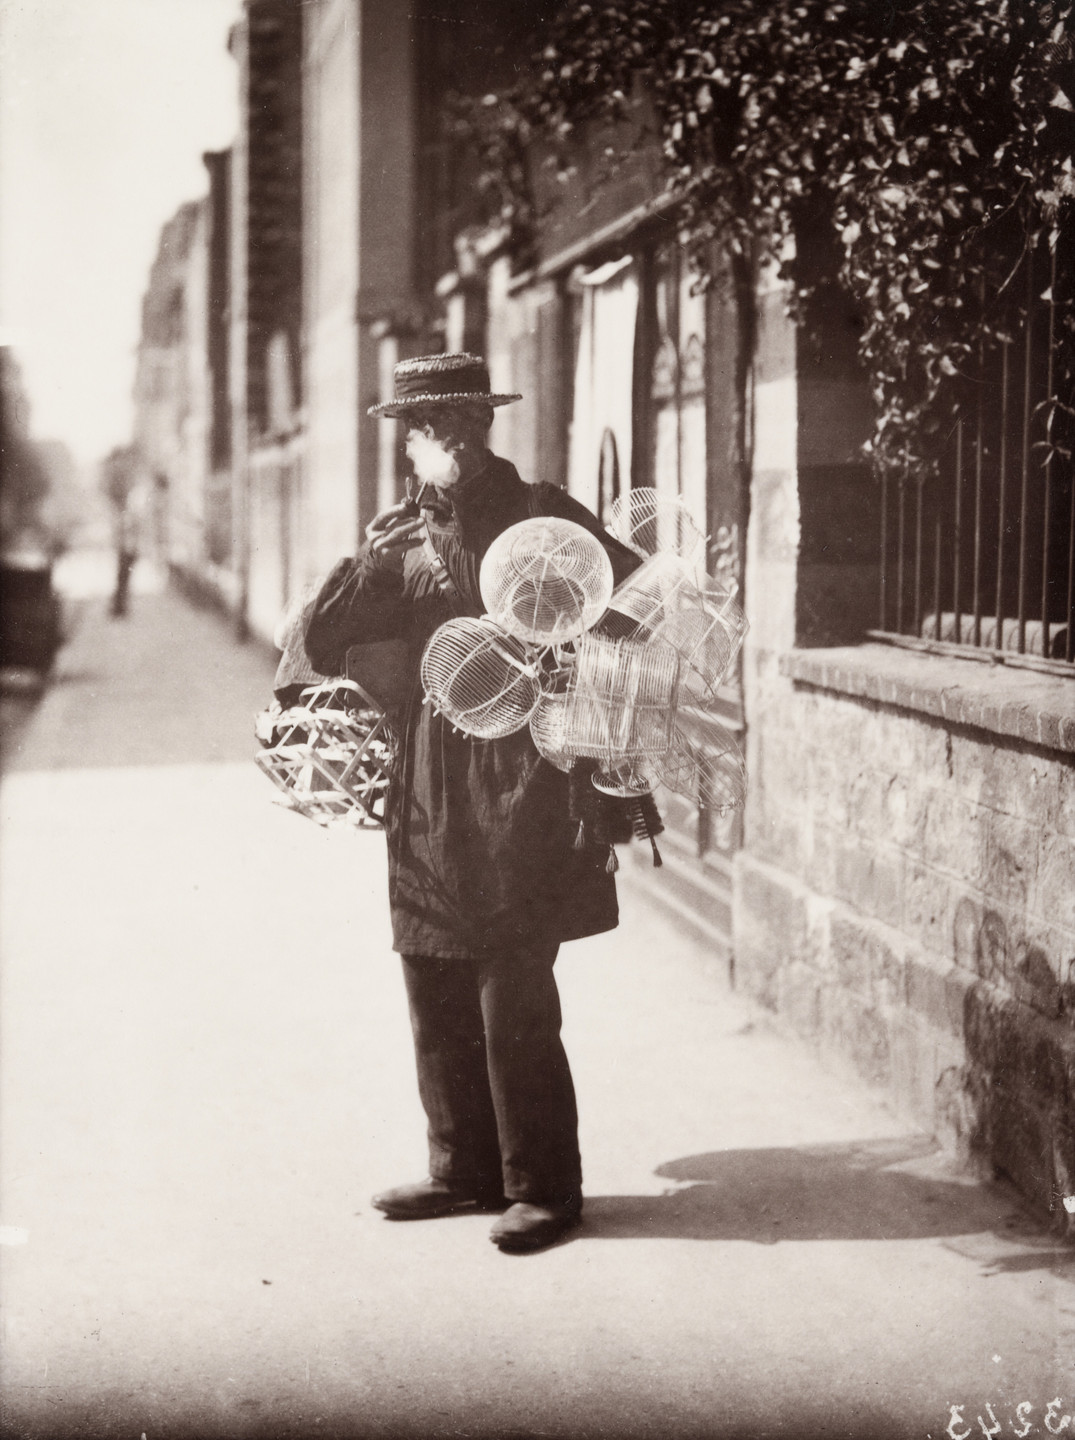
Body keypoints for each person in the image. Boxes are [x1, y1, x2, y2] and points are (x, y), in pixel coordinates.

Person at [304, 352, 639, 1253]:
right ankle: (461, 1170)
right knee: (432, 972)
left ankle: (543, 1188)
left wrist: (567, 664)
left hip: (519, 780)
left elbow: (631, 602)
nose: (438, 438)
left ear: (482, 426)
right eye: (422, 426)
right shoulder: (400, 539)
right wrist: (362, 564)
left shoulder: (542, 517)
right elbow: (323, 640)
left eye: (454, 420)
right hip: (425, 784)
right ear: (410, 441)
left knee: (511, 988)